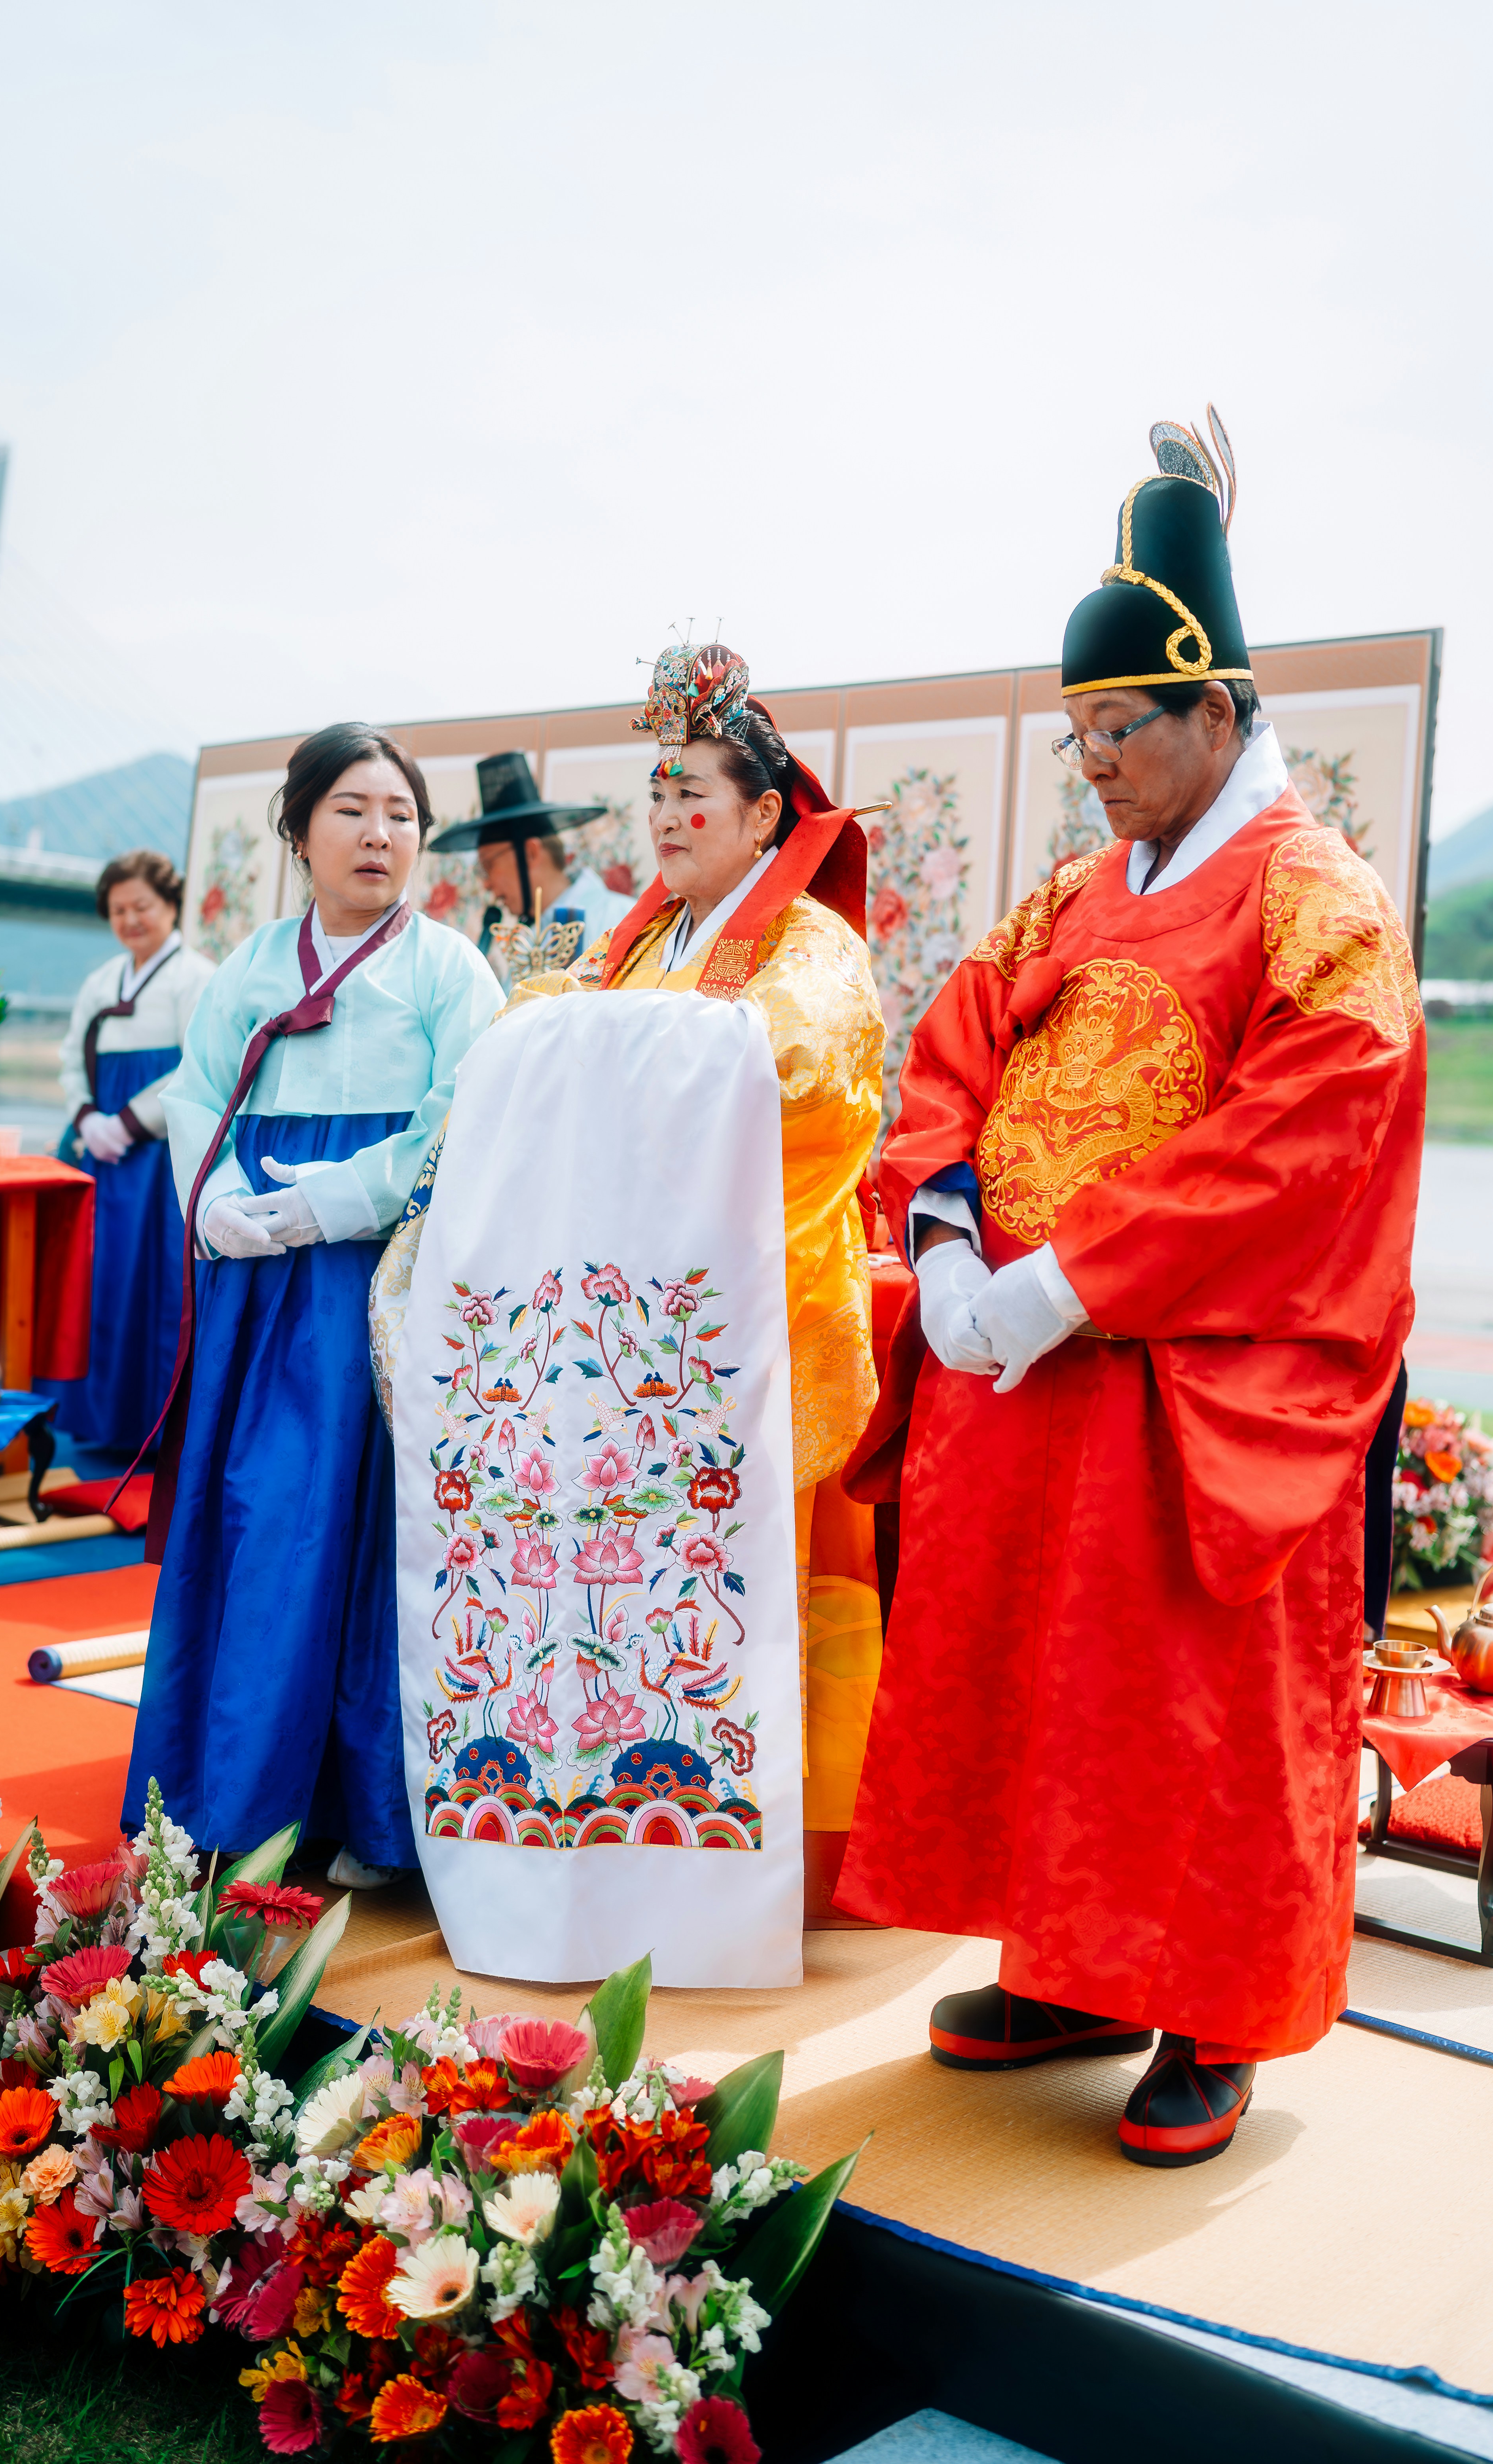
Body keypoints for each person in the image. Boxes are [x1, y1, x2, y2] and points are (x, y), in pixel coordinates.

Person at [838, 414, 1427, 2165]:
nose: (1092, 762)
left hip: (1196, 1380)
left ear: (1218, 716)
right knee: (1049, 1686)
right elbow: (950, 1047)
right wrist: (945, 1232)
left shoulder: (1317, 902)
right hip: (1029, 1377)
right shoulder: (1070, 901)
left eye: (1121, 728)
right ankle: (1070, 1962)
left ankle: (1214, 2007)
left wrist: (1071, 1280)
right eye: (1079, 730)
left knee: (1187, 1705)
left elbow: (1304, 1131)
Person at [377, 643, 887, 1924]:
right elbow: (541, 1030)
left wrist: (592, 1032)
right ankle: (615, 1833)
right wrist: (550, 1019)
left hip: (741, 1326)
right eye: (656, 793)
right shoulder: (640, 939)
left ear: (767, 812)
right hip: (622, 1323)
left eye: (693, 793)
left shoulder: (808, 942)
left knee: (743, 1596)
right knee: (621, 1589)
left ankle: (777, 1866)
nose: (665, 817)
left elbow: (810, 1064)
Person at [123, 721, 502, 1889]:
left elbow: (463, 1119)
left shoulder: (448, 969)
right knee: (255, 1521)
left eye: (400, 812)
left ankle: (367, 1816)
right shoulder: (247, 966)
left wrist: (332, 1202)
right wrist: (222, 1196)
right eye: (351, 808)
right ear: (298, 832)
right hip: (253, 1280)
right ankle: (227, 1794)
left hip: (376, 1284)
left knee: (363, 1529)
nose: (379, 832)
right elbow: (194, 1095)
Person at [48, 850, 215, 1452]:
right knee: (98, 1278)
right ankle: (100, 1420)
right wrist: (87, 1115)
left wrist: (129, 1120)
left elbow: (198, 1066)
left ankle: (154, 1428)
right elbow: (71, 1058)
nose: (131, 919)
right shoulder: (100, 981)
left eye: (142, 906)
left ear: (170, 904)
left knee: (156, 1281)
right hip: (101, 1151)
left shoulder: (195, 976)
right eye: (118, 910)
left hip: (158, 1158)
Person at [430, 750, 632, 973]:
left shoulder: (622, 921)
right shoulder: (524, 942)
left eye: (488, 866)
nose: (486, 884)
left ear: (530, 854)